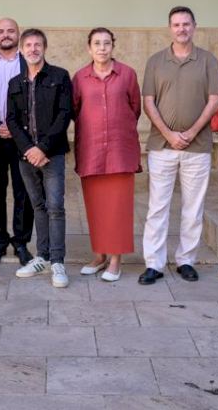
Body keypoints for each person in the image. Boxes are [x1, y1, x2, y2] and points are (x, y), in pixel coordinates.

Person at [139, 7, 218, 284]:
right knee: (157, 207)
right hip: (162, 146)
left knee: (193, 207)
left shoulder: (208, 60)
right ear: (169, 28)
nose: (181, 29)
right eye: (176, 24)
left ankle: (186, 260)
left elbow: (214, 100)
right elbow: (148, 101)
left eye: (186, 24)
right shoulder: (156, 61)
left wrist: (190, 131)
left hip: (196, 147)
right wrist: (170, 134)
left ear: (194, 27)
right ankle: (154, 263)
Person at [71, 27, 141, 283]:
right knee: (95, 207)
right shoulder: (79, 78)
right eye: (97, 43)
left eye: (107, 43)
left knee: (118, 208)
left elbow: (135, 108)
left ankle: (115, 260)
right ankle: (99, 255)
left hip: (120, 152)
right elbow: (75, 109)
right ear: (89, 48)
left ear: (113, 46)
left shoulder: (128, 75)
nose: (102, 48)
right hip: (91, 151)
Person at [6, 29, 74, 289]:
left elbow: (64, 114)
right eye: (28, 45)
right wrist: (28, 149)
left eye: (38, 45)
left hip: (52, 154)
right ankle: (42, 257)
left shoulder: (59, 76)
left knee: (55, 206)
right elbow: (11, 119)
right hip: (26, 156)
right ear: (21, 50)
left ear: (45, 48)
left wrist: (42, 149)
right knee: (38, 206)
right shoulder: (15, 83)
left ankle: (57, 261)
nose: (33, 49)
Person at [0, 17, 34, 267]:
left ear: (19, 35)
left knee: (24, 191)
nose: (6, 35)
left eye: (11, 31)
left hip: (23, 139)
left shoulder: (30, 62)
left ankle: (21, 242)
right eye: (1, 31)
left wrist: (16, 130)